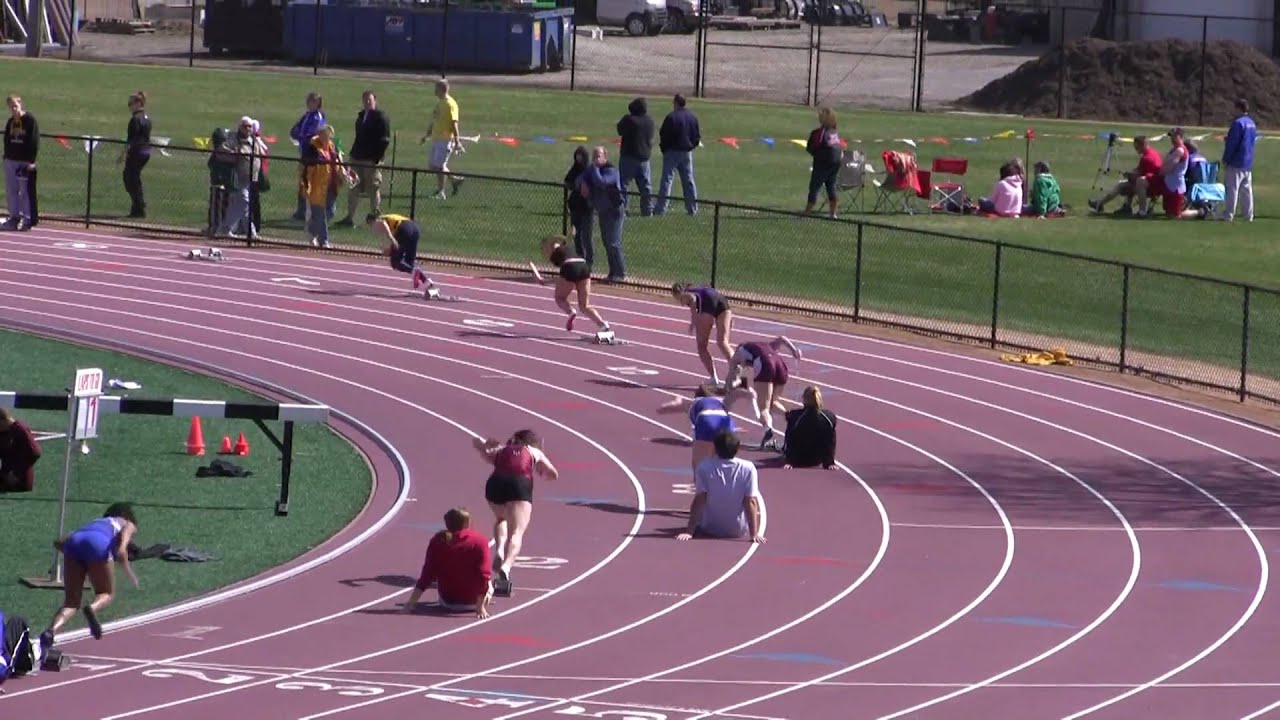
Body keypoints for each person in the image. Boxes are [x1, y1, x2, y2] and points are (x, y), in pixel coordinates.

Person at [473, 430, 558, 595]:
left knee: (501, 519)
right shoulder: (534, 451)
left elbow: (477, 445)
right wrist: (541, 472)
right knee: (517, 533)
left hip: (495, 485)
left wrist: (484, 445)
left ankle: (498, 550)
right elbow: (554, 474)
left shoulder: (501, 450)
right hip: (520, 484)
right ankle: (506, 566)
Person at [41, 503, 139, 646]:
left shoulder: (96, 523)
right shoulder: (128, 524)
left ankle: (50, 631)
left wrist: (82, 564)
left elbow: (59, 542)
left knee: (71, 603)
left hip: (74, 542)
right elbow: (122, 551)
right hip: (98, 545)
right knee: (106, 593)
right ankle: (91, 608)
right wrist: (131, 575)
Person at [402, 507, 494, 619]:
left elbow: (427, 574)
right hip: (472, 603)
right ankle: (485, 597)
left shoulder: (437, 541)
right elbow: (483, 576)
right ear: (468, 523)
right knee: (488, 580)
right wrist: (480, 608)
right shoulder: (480, 542)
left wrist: (411, 603)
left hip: (447, 602)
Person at [676, 431, 765, 544]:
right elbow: (750, 501)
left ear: (715, 448)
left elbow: (700, 500)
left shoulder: (704, 467)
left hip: (709, 528)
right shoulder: (748, 468)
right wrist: (754, 534)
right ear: (737, 449)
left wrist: (689, 531)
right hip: (738, 530)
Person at [723, 336, 802, 450]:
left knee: (763, 408)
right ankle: (790, 416)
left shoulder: (739, 353)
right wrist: (794, 350)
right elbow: (781, 339)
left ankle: (768, 428)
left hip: (766, 366)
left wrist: (730, 387)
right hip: (780, 366)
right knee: (772, 402)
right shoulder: (764, 346)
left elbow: (735, 373)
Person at [657, 383, 752, 474]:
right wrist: (749, 394)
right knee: (723, 461)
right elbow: (735, 395)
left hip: (706, 421)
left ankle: (700, 486)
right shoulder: (720, 402)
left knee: (698, 465)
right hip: (726, 423)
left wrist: (672, 404)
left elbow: (665, 409)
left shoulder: (694, 402)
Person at [531, 235, 612, 335]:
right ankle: (602, 325)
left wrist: (544, 281)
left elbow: (565, 276)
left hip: (570, 268)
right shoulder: (570, 249)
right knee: (585, 305)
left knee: (560, 298)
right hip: (584, 267)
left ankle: (571, 311)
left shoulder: (555, 256)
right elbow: (565, 276)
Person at [338, 90, 391, 226]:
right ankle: (349, 218)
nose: (367, 102)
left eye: (370, 100)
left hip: (370, 160)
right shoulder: (361, 117)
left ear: (375, 100)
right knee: (353, 187)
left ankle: (375, 216)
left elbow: (384, 140)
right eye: (365, 100)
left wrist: (377, 158)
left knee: (373, 188)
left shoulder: (381, 117)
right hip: (357, 157)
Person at [577, 145, 627, 282]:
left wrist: (594, 168)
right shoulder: (593, 170)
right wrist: (582, 183)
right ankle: (612, 273)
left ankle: (620, 273)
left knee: (613, 242)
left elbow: (601, 182)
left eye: (598, 156)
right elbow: (579, 178)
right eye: (594, 156)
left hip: (615, 211)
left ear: (605, 157)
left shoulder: (611, 171)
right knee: (606, 242)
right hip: (603, 211)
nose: (595, 159)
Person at [671, 282, 733, 384]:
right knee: (723, 342)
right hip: (723, 302)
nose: (681, 303)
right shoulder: (700, 289)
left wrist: (694, 321)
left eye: (679, 299)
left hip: (708, 305)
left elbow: (692, 299)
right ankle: (740, 372)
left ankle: (714, 378)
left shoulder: (687, 294)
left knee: (702, 346)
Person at [1088, 136, 1162, 216]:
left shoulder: (1146, 158)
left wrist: (1129, 175)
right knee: (1125, 183)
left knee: (1121, 186)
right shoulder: (1154, 153)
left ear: (1142, 145)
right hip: (1153, 183)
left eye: (1137, 147)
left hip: (1149, 186)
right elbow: (1141, 170)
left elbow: (1140, 175)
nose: (1136, 149)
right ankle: (1120, 206)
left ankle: (1101, 204)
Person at [369, 212, 435, 297]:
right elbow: (389, 240)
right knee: (410, 262)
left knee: (395, 261)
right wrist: (390, 249)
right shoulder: (388, 220)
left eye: (370, 225)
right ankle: (429, 284)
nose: (372, 228)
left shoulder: (380, 221)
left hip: (404, 229)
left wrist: (393, 243)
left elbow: (388, 231)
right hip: (414, 228)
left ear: (372, 221)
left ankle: (416, 272)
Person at [655, 93, 700, 216]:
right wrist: (691, 146)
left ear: (675, 102)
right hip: (686, 152)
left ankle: (661, 208)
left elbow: (663, 134)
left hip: (672, 152)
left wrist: (664, 148)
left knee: (667, 180)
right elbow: (696, 136)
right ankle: (692, 208)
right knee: (688, 180)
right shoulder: (692, 117)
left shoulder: (671, 117)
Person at [421, 79, 465, 200]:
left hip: (445, 140)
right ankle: (454, 180)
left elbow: (454, 123)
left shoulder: (451, 104)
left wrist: (457, 141)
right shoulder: (440, 103)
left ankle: (441, 192)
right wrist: (427, 135)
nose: (434, 90)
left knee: (439, 166)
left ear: (441, 89)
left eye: (436, 88)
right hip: (436, 138)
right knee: (432, 165)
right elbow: (434, 120)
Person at [289, 92, 328, 222]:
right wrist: (297, 134)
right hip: (304, 152)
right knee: (302, 182)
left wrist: (300, 136)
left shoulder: (317, 117)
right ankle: (301, 210)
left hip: (312, 154)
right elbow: (295, 128)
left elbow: (312, 135)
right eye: (308, 101)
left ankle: (308, 211)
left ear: (317, 103)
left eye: (312, 101)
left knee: (308, 183)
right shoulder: (307, 115)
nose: (309, 103)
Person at [3, 95, 38, 231]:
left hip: (24, 162)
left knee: (24, 192)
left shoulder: (30, 120)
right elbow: (6, 139)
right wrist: (6, 157)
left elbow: (34, 141)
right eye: (11, 107)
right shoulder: (10, 121)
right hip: (10, 160)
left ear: (20, 104)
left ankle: (27, 219)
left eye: (15, 106)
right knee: (11, 190)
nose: (13, 109)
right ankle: (14, 217)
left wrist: (31, 161)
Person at [781, 386, 838, 470]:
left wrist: (790, 461)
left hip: (799, 459)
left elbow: (790, 438)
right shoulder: (829, 417)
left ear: (804, 399)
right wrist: (829, 462)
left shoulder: (795, 416)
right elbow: (831, 441)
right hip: (817, 460)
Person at [1219, 98, 1257, 223]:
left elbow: (1233, 143)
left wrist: (1226, 158)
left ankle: (1229, 214)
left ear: (1239, 108)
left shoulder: (1237, 123)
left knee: (1232, 189)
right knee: (1246, 190)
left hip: (1236, 161)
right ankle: (1248, 215)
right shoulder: (1252, 123)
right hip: (1247, 161)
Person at [615, 97, 654, 216]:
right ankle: (647, 210)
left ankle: (624, 209)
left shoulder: (629, 120)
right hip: (644, 158)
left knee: (624, 185)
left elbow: (619, 130)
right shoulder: (650, 121)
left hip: (629, 156)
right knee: (645, 186)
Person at [804, 106, 842, 219]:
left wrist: (817, 155)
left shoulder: (819, 133)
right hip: (836, 162)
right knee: (831, 186)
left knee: (814, 187)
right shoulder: (835, 132)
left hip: (822, 163)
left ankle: (807, 212)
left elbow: (811, 147)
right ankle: (833, 213)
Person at [119, 91, 152, 219]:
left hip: (137, 153)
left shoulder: (135, 120)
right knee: (134, 178)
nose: (129, 106)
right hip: (145, 152)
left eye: (131, 103)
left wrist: (122, 155)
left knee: (129, 179)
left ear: (138, 103)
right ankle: (137, 206)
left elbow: (131, 140)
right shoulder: (146, 118)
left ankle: (139, 206)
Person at [563, 146, 595, 264]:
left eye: (580, 156)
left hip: (587, 208)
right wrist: (575, 186)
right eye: (577, 156)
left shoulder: (590, 170)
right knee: (576, 235)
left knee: (587, 237)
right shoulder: (574, 170)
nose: (578, 159)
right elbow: (567, 181)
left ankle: (589, 262)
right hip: (575, 207)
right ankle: (580, 258)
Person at [0, 408, 40, 493]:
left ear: (3, 421)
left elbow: (35, 452)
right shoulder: (5, 432)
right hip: (6, 476)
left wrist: (16, 473)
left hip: (19, 481)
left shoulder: (20, 429)